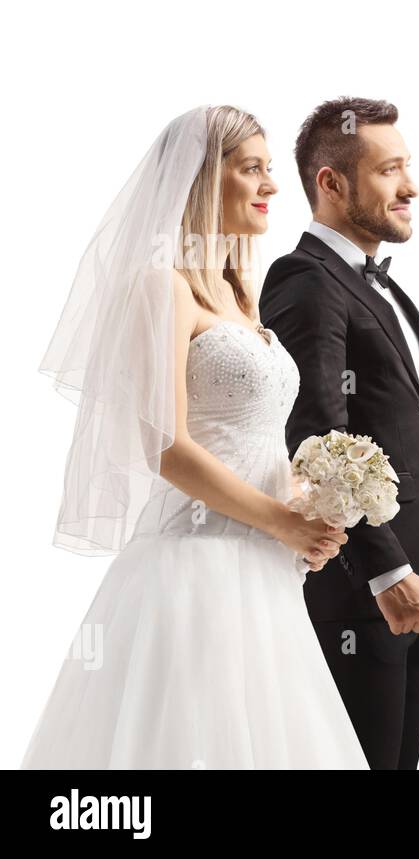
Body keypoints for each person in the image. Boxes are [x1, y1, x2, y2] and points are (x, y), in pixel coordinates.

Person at [23, 105, 368, 769]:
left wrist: (306, 504)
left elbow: (247, 433)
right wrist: (278, 520)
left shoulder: (245, 298)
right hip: (193, 565)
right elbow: (165, 445)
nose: (271, 184)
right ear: (204, 181)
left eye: (272, 169)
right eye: (252, 169)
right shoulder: (162, 288)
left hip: (266, 575)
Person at [260, 97, 419, 770]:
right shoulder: (305, 280)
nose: (411, 186)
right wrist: (386, 569)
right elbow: (312, 433)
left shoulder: (370, 283)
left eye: (408, 167)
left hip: (412, 587)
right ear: (332, 183)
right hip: (360, 590)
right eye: (389, 170)